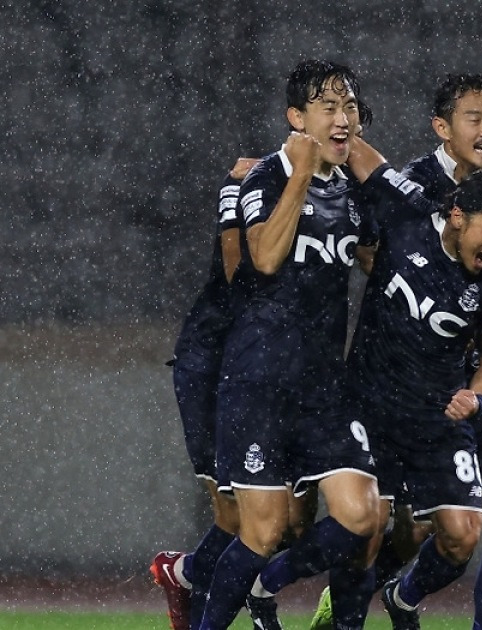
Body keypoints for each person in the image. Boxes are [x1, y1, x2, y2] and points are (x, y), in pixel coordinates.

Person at [329, 73, 482, 630]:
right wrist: (449, 309)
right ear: (443, 128)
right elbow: (373, 256)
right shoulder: (415, 185)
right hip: (407, 377)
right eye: (476, 118)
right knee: (401, 527)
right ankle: (362, 594)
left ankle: (404, 598)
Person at [197, 59, 382, 630]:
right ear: (296, 118)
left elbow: (378, 265)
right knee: (262, 529)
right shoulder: (266, 178)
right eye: (328, 107)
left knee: (361, 515)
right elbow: (266, 258)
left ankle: (268, 584)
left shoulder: (354, 191)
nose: (342, 118)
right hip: (260, 381)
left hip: (324, 386)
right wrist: (301, 174)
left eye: (348, 106)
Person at [151, 157, 257, 630]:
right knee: (243, 517)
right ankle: (194, 581)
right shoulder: (265, 186)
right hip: (212, 365)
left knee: (277, 518)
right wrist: (236, 186)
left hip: (267, 372)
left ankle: (185, 573)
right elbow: (237, 273)